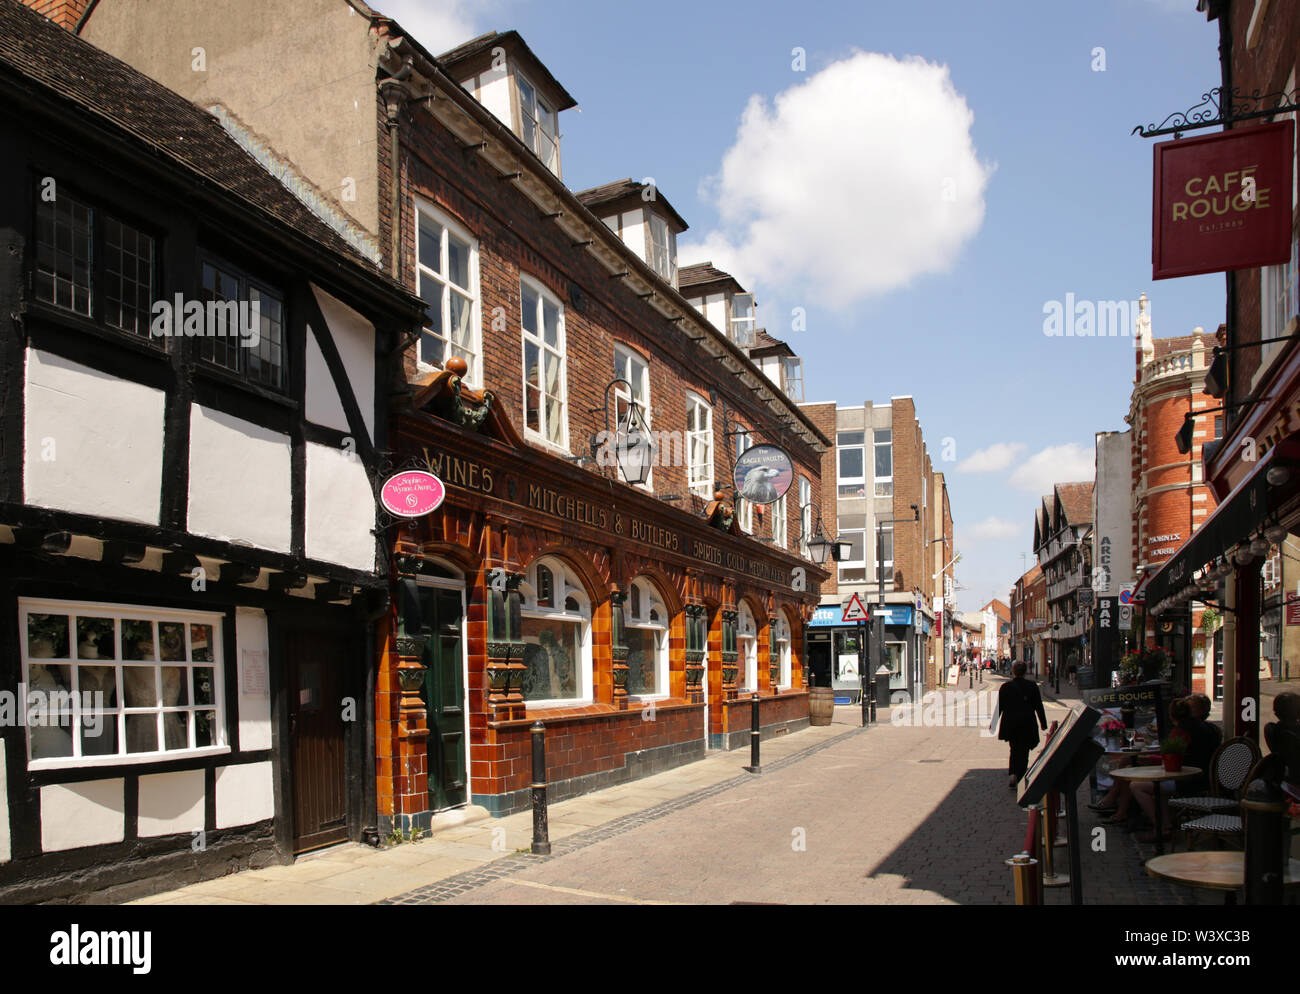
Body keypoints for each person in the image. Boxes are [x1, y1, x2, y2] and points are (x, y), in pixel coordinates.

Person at [998, 661, 1048, 789]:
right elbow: (1039, 706)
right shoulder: (1032, 686)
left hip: (1011, 724)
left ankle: (1013, 774)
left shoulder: (1005, 687)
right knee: (1024, 751)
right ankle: (1020, 777)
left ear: (1013, 671)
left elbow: (999, 707)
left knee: (1014, 749)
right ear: (1025, 672)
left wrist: (993, 725)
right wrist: (1043, 723)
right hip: (1027, 723)